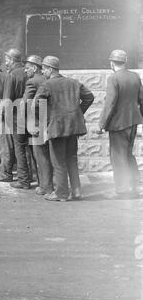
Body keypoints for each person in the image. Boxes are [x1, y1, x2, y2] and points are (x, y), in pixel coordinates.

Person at [35, 56, 94, 201]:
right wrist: (77, 112)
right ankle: (77, 191)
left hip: (57, 128)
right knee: (72, 159)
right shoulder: (74, 82)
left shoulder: (47, 85)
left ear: (50, 69)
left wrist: (46, 119)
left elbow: (36, 105)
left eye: (44, 69)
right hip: (74, 127)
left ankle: (61, 194)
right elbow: (89, 97)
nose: (43, 72)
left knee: (58, 161)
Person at [99, 49, 143, 197]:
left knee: (118, 156)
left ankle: (122, 189)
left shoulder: (113, 78)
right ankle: (134, 183)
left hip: (118, 124)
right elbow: (141, 100)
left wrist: (101, 125)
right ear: (125, 62)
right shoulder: (135, 76)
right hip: (133, 122)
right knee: (128, 154)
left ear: (112, 63)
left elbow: (110, 104)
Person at [0, 48, 29, 189]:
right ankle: (27, 176)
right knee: (26, 148)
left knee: (10, 146)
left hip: (13, 115)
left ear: (12, 60)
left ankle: (12, 176)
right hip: (29, 115)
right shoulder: (28, 73)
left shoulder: (12, 75)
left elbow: (7, 99)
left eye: (7, 59)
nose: (6, 62)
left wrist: (2, 116)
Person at [23, 55, 54, 196]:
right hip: (51, 123)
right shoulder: (49, 78)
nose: (25, 71)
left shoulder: (32, 82)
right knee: (49, 156)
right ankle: (49, 184)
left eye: (28, 68)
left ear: (35, 68)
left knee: (41, 156)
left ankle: (45, 187)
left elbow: (25, 103)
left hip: (37, 124)